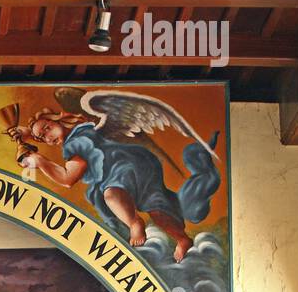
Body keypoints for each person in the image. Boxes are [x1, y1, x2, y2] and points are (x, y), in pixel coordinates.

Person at [21, 106, 219, 263]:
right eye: (42, 137)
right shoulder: (85, 129)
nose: (47, 136)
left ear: (57, 119)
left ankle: (134, 223)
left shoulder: (76, 143)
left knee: (110, 195)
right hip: (141, 163)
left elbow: (67, 179)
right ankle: (182, 239)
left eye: (47, 128)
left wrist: (40, 162)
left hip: (122, 166)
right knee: (156, 208)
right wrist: (26, 135)